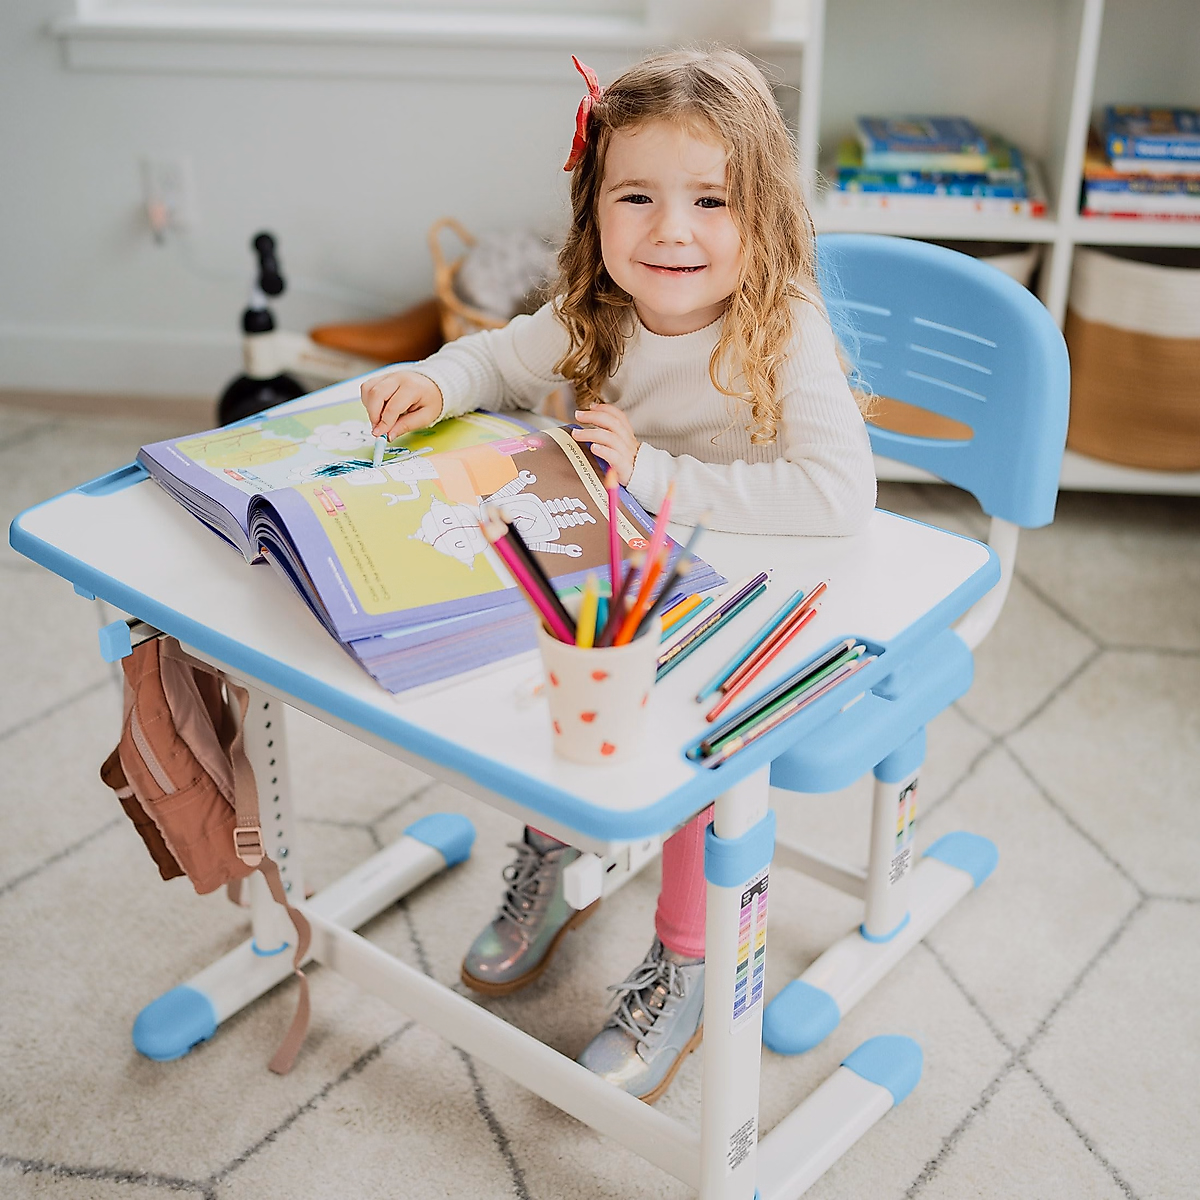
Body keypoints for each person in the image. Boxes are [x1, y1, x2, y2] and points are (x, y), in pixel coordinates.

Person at [361, 48, 877, 1103]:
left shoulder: (786, 327)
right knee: (556, 688)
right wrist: (435, 378)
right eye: (636, 196)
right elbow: (496, 359)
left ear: (765, 213)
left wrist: (653, 474)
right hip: (630, 580)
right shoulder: (593, 307)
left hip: (755, 597)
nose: (671, 231)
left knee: (687, 756)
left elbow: (840, 495)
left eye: (711, 200)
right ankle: (557, 858)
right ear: (593, 208)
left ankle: (686, 958)